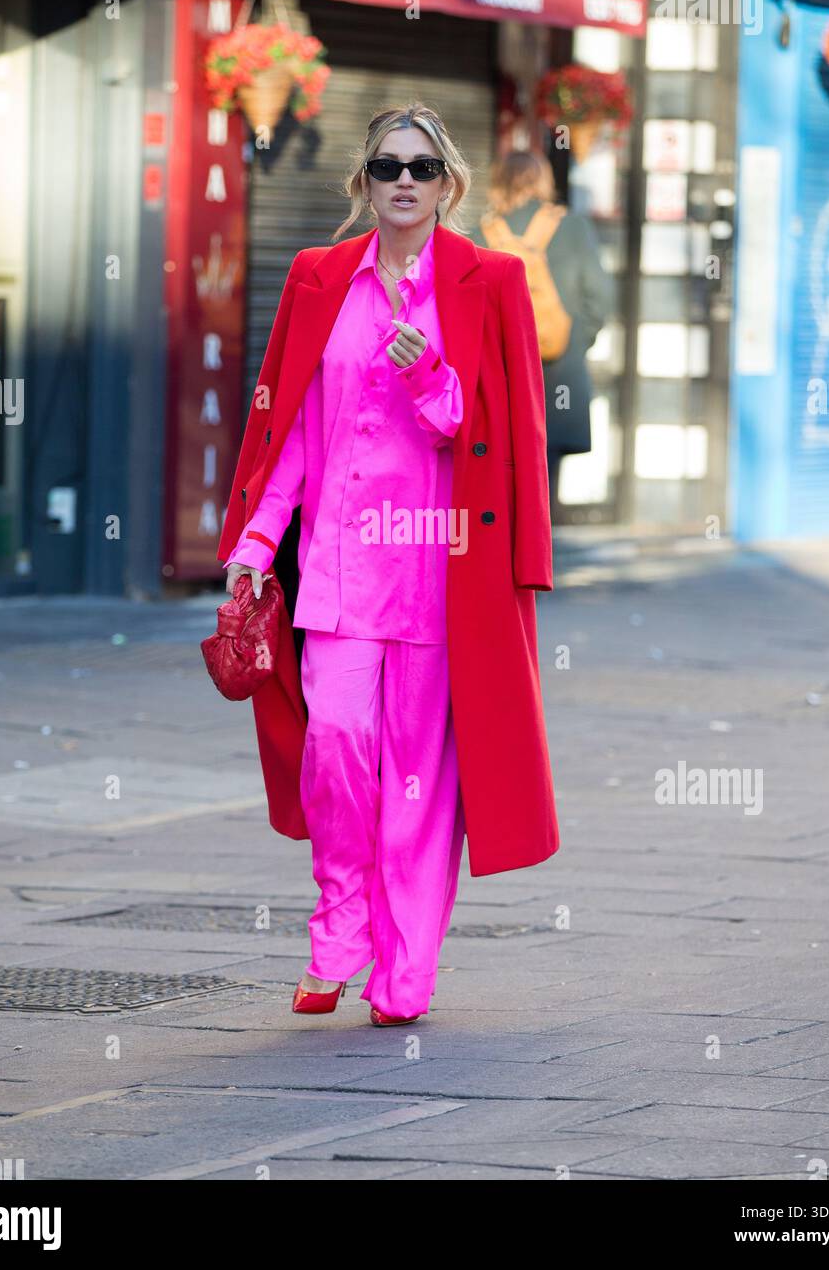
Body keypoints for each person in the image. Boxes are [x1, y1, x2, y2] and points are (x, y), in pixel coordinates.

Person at [216, 103, 558, 1027]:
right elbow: (288, 424)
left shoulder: (491, 281)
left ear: (448, 183)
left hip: (440, 572)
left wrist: (431, 380)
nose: (401, 181)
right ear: (362, 183)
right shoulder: (317, 276)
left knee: (418, 777)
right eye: (383, 166)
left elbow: (507, 430)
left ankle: (405, 969)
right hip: (333, 561)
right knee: (334, 742)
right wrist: (253, 543)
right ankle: (338, 931)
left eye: (419, 167)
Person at [469, 150, 613, 511]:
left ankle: (502, 566)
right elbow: (600, 299)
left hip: (497, 386)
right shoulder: (572, 227)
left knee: (495, 497)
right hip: (558, 379)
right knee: (542, 500)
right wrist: (574, 341)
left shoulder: (479, 235)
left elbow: (467, 316)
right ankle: (542, 565)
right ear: (542, 180)